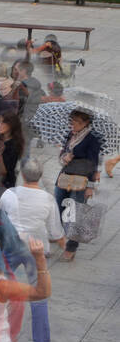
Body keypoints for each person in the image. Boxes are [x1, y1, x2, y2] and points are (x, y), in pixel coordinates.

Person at [0, 160, 65, 342]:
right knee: (39, 295)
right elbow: (54, 231)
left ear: (23, 175)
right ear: (40, 175)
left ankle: (0, 333)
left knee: (0, 289)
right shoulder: (47, 199)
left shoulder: (10, 194)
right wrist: (64, 243)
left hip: (12, 245)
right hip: (36, 249)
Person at [53, 108, 102, 262]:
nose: (72, 125)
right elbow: (62, 155)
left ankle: (71, 247)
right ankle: (59, 235)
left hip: (81, 181)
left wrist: (91, 186)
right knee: (58, 207)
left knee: (76, 214)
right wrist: (64, 157)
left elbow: (94, 163)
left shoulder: (92, 139)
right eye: (71, 121)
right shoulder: (70, 134)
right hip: (65, 177)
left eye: (75, 122)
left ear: (85, 123)